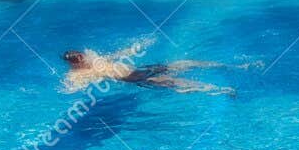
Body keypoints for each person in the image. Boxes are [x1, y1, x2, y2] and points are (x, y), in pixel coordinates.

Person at [61, 41, 238, 94]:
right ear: (75, 62)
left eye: (82, 55)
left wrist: (133, 49)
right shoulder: (77, 73)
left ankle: (225, 67)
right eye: (80, 58)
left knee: (177, 68)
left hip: (139, 71)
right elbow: (72, 86)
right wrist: (71, 86)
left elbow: (117, 55)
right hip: (134, 77)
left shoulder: (94, 60)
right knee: (175, 81)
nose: (83, 57)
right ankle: (219, 89)